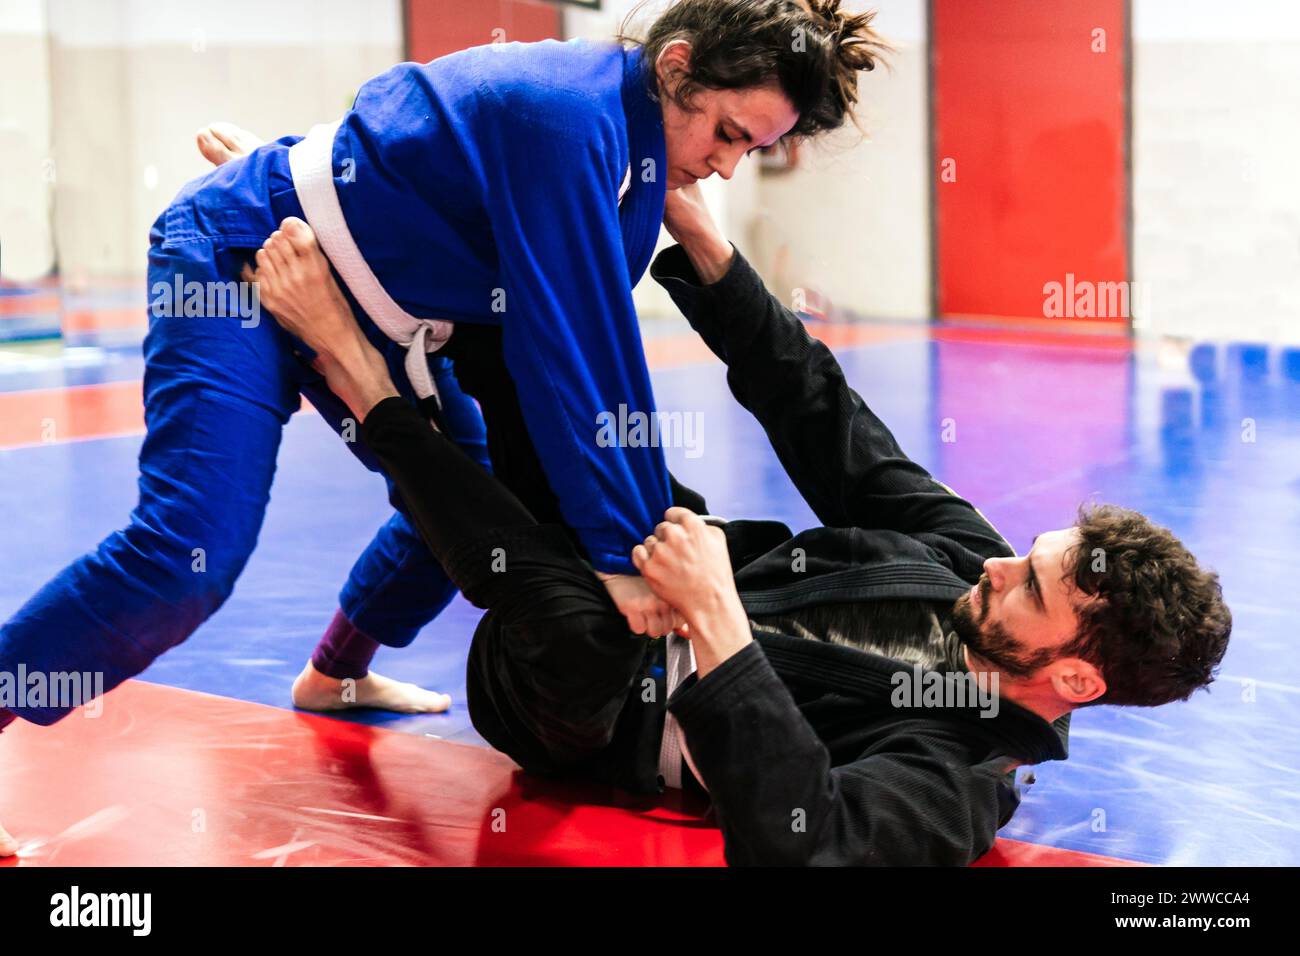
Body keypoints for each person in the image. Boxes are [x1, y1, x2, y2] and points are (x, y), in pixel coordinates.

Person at [228, 190, 1232, 865]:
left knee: (572, 616)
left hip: (571, 699)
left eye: (1034, 588)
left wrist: (717, 627)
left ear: (1072, 678)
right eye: (1034, 551)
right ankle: (323, 214)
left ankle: (360, 382)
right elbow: (833, 430)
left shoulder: (962, 778)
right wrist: (708, 246)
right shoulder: (967, 566)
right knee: (562, 392)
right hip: (653, 566)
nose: (1002, 562)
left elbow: (806, 837)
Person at [0, 0, 891, 758]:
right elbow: (576, 346)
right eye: (730, 134)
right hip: (237, 263)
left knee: (461, 497)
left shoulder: (636, 142)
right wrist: (624, 554)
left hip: (366, 305)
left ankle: (334, 674)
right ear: (677, 64)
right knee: (189, 554)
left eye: (754, 151)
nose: (728, 165)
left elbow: (422, 152)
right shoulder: (569, 112)